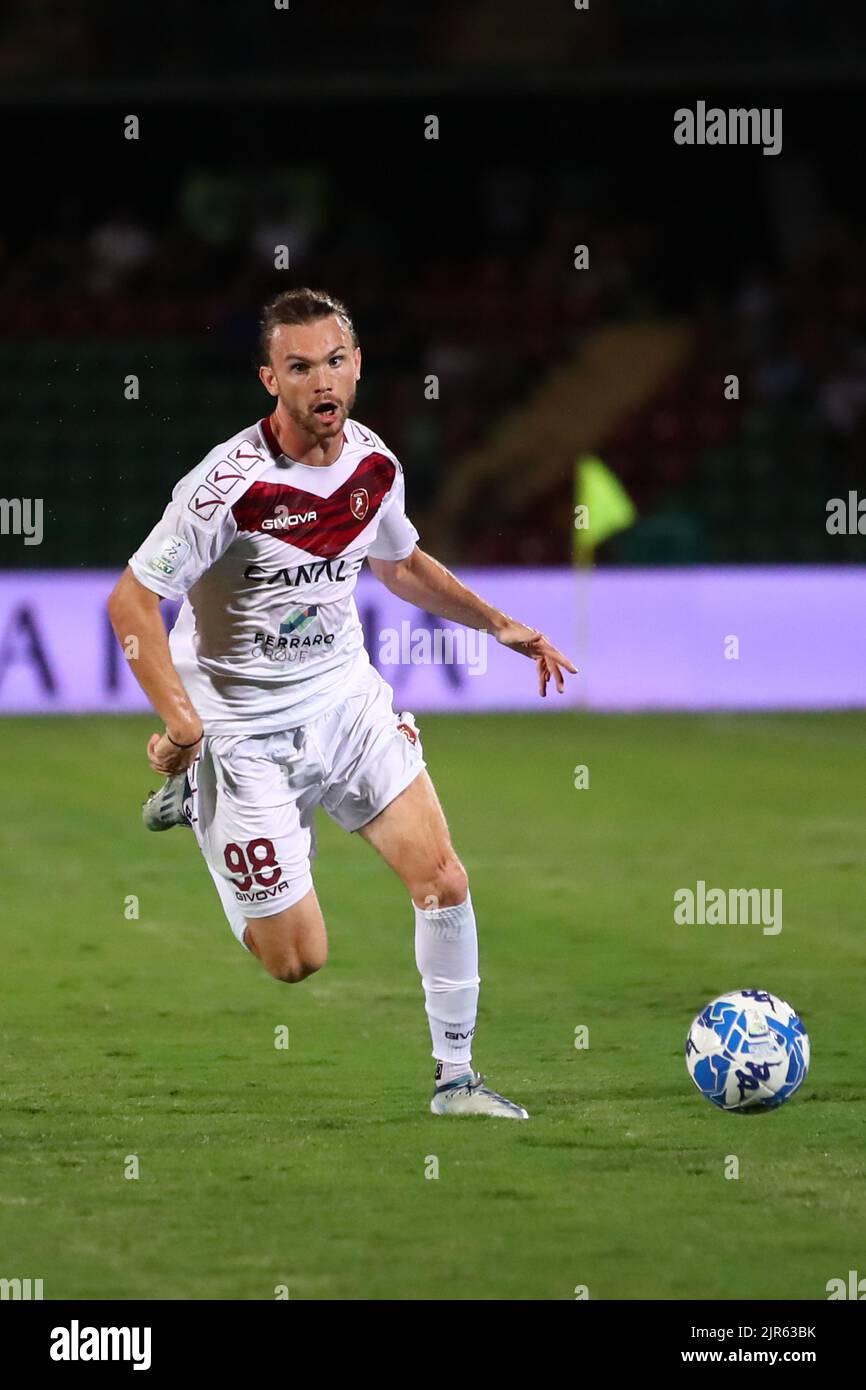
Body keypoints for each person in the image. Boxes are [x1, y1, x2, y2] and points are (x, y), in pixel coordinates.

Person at [108, 287, 577, 1119]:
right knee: (297, 962)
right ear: (270, 379)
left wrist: (501, 625)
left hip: (347, 704)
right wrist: (184, 723)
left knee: (444, 878)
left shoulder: (374, 464)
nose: (320, 380)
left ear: (356, 366)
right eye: (299, 366)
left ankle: (455, 1081)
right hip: (242, 732)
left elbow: (399, 563)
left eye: (333, 361)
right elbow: (132, 604)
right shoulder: (226, 487)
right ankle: (204, 813)